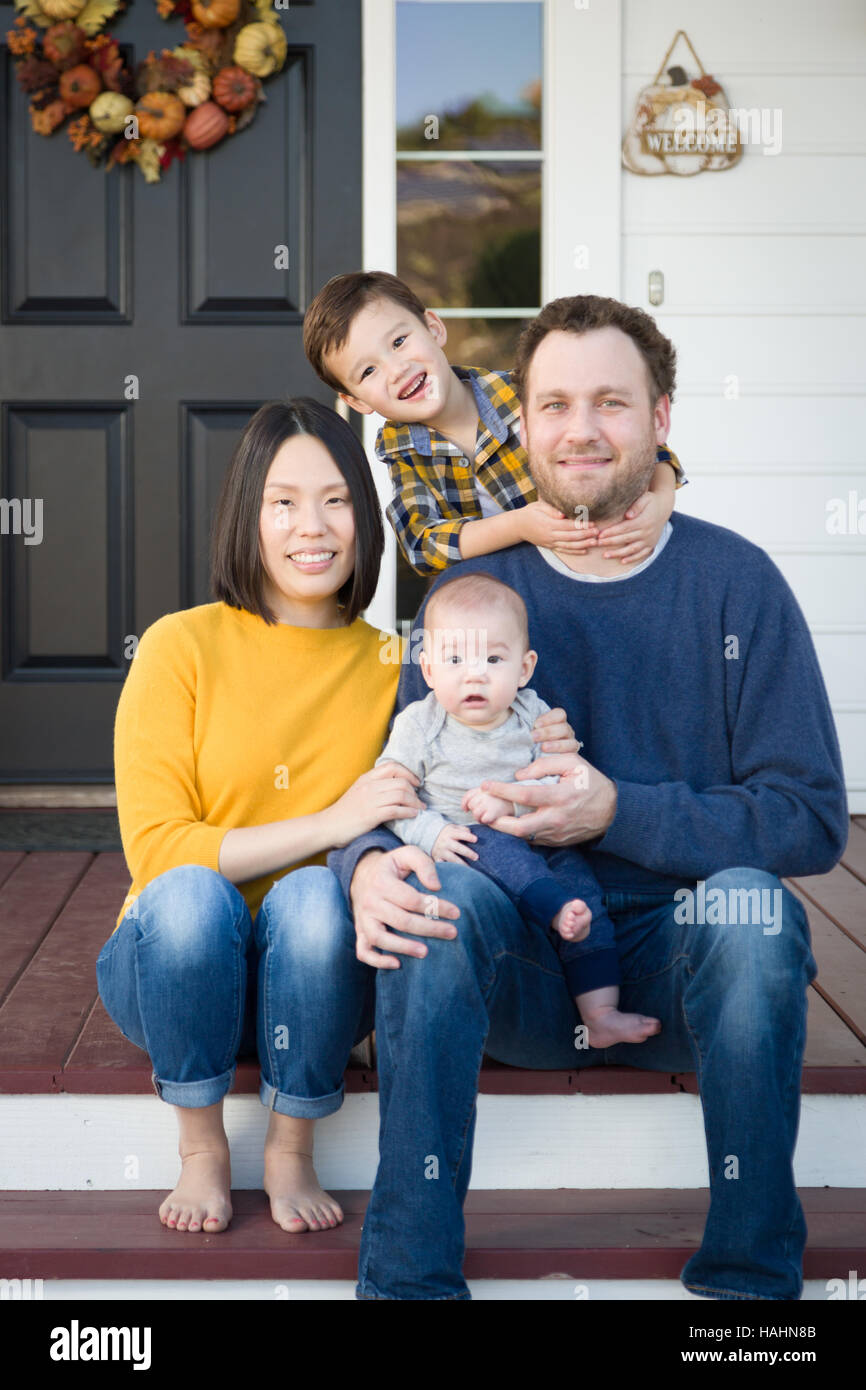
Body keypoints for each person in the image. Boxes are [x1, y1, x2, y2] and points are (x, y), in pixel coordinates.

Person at [328, 294, 849, 1301]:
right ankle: (407, 1280)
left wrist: (617, 811)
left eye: (609, 402)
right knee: (434, 891)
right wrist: (362, 868)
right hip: (516, 965)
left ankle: (747, 1282)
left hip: (677, 974)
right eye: (554, 403)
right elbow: (398, 779)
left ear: (659, 421)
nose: (577, 428)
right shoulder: (469, 599)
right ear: (520, 424)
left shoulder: (733, 584)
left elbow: (810, 816)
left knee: (752, 910)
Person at [96, 398, 423, 1237]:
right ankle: (202, 1149)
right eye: (283, 502)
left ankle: (290, 1147)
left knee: (315, 900)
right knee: (194, 896)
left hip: (319, 977)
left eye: (336, 499)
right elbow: (160, 851)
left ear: (364, 513)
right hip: (174, 969)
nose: (310, 527)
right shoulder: (181, 646)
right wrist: (330, 821)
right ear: (249, 516)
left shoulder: (394, 665)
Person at [375, 568, 660, 1048]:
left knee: (584, 895)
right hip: (466, 845)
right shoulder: (420, 724)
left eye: (493, 657)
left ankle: (600, 1012)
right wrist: (432, 835)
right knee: (498, 850)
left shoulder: (533, 714)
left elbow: (557, 779)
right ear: (427, 670)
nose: (475, 672)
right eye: (455, 658)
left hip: (538, 841)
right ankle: (552, 909)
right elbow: (392, 799)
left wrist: (516, 797)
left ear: (524, 669)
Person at [302, 269, 686, 576]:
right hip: (509, 606)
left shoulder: (521, 393)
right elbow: (421, 544)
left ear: (433, 328)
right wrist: (519, 526)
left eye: (399, 342)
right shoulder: (402, 451)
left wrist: (661, 503)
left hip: (602, 564)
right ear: (355, 401)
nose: (396, 370)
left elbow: (643, 446)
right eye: (368, 370)